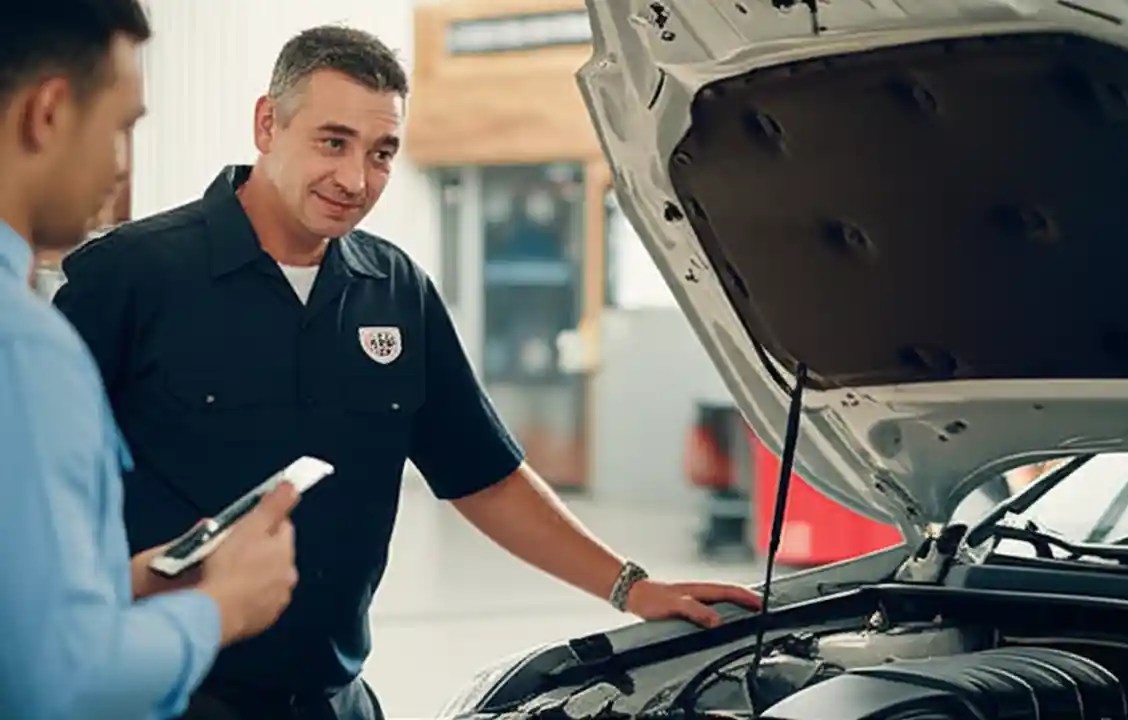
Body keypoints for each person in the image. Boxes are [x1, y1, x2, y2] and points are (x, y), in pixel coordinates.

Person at [53, 24, 762, 720]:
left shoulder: (395, 288)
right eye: (333, 142)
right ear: (268, 124)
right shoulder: (131, 277)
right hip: (161, 690)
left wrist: (633, 589)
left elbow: (482, 474)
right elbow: (32, 482)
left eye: (382, 153)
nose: (355, 179)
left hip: (335, 699)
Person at [0, 3, 305, 719]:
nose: (119, 165)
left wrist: (121, 581)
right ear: (47, 113)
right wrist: (220, 607)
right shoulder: (24, 348)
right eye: (120, 127)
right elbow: (56, 682)